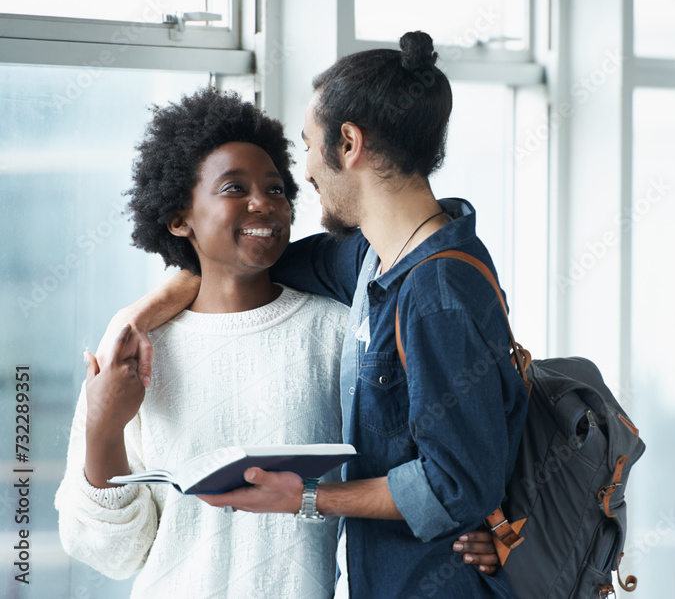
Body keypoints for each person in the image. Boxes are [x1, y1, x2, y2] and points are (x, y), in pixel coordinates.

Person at [94, 32, 529, 597]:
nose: (303, 175)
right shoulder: (372, 259)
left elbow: (456, 485)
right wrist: (136, 316)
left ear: (348, 143)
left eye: (306, 146)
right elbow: (246, 259)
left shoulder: (436, 290)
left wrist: (302, 498)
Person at [54, 87, 347, 597]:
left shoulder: (336, 334)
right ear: (178, 218)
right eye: (234, 188)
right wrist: (104, 427)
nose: (263, 202)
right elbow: (113, 554)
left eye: (276, 189)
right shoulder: (132, 354)